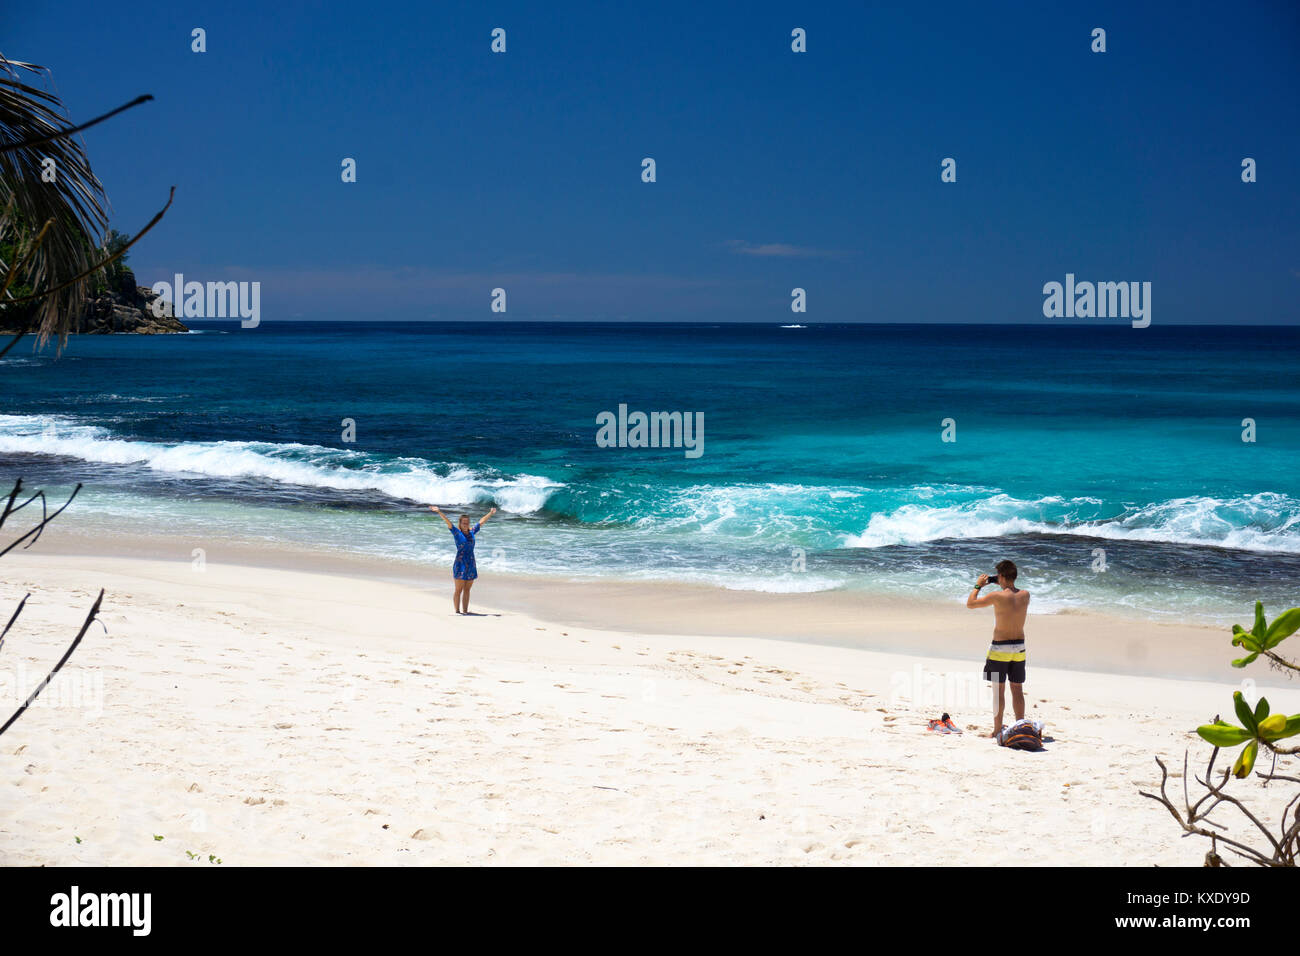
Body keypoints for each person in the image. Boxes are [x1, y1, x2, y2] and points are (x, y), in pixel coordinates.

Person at [966, 559, 1030, 739]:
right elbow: (1011, 591)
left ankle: (996, 730)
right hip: (1019, 648)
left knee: (998, 690)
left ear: (1000, 576)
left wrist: (978, 586)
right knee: (1017, 688)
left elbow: (971, 603)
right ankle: (1020, 725)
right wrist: (1000, 581)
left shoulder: (997, 596)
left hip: (1000, 648)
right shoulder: (1026, 595)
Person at [429, 505, 497, 614]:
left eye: (467, 522)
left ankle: (465, 611)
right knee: (458, 589)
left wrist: (490, 513)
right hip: (460, 563)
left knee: (467, 590)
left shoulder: (472, 532)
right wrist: (439, 512)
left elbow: (481, 522)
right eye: (463, 522)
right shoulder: (457, 532)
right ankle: (457, 611)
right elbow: (448, 522)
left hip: (471, 563)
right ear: (460, 523)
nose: (465, 524)